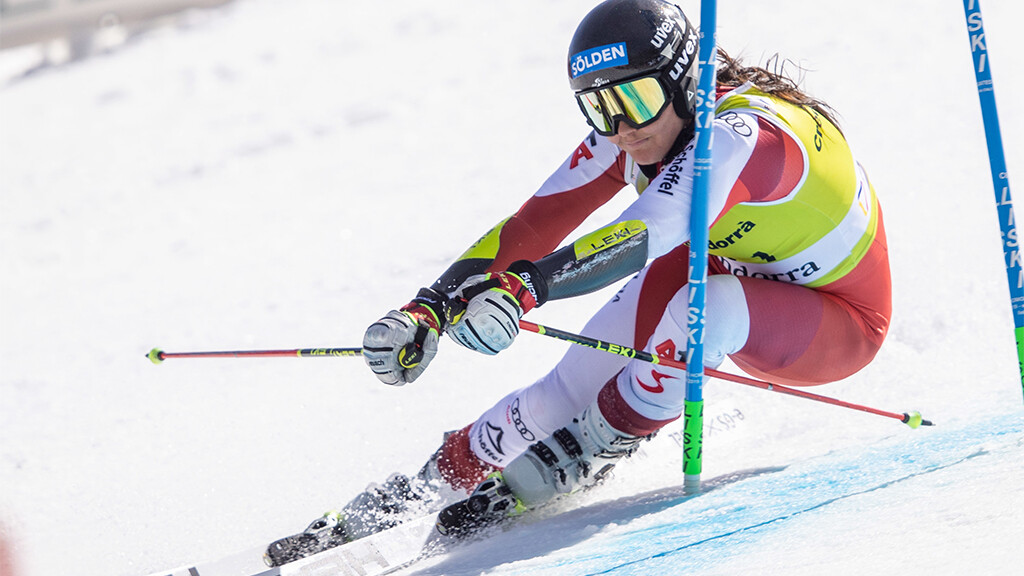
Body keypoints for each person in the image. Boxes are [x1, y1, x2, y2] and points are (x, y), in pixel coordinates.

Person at [265, 0, 891, 562]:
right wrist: (429, 307)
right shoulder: (634, 134)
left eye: (636, 101)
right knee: (558, 390)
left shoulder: (741, 136)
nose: (621, 128)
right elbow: (536, 223)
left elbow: (647, 229)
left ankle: (590, 447)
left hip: (832, 323)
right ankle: (414, 492)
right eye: (599, 106)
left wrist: (525, 289)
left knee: (711, 304)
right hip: (722, 269)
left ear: (681, 78)